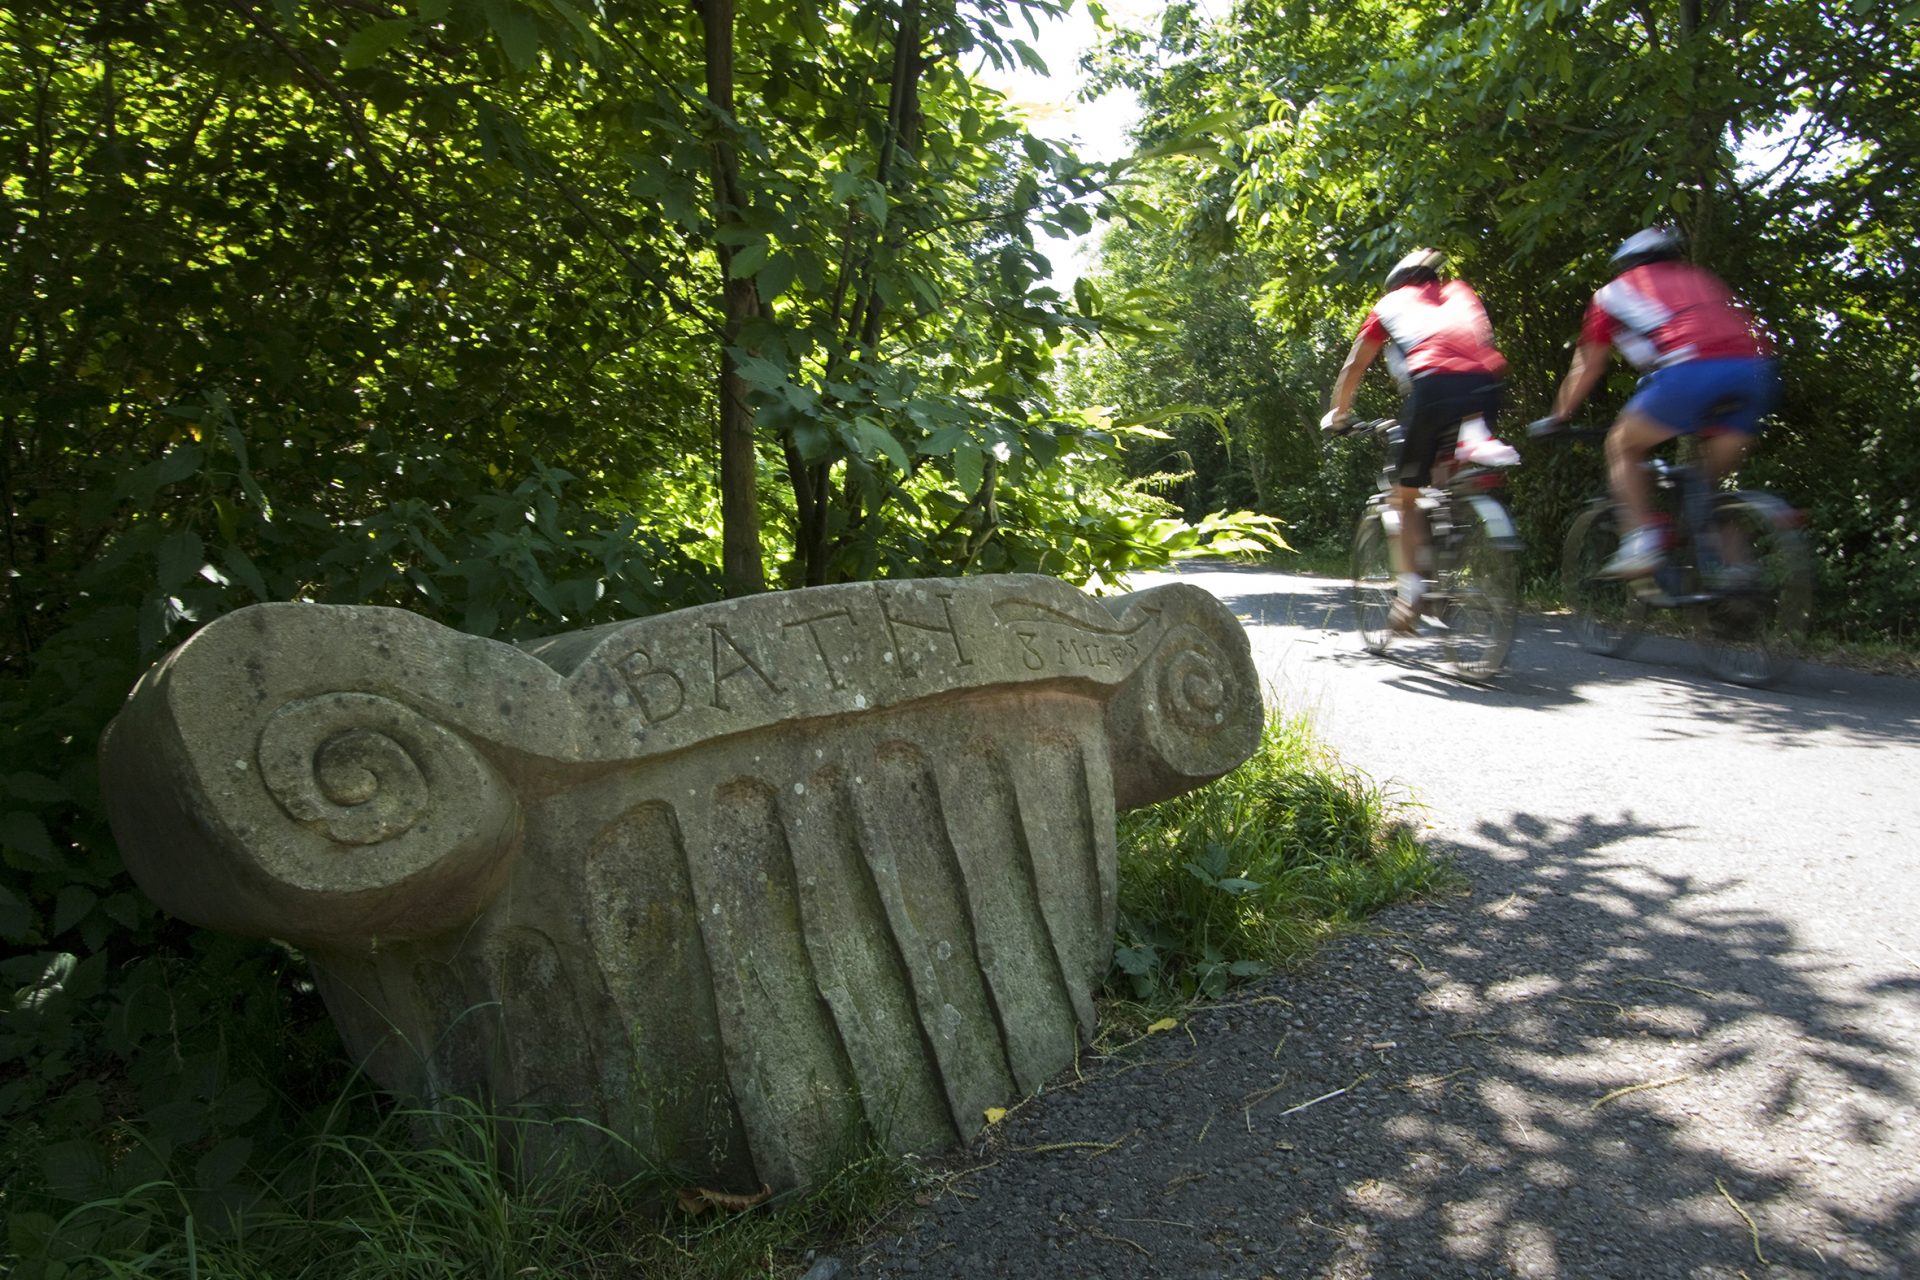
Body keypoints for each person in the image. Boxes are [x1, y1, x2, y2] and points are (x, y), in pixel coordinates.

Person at [1536, 226, 1778, 578]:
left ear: (1625, 264)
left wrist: (1558, 416)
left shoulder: (1612, 293)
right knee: (1705, 491)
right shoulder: (1701, 278)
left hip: (1690, 371)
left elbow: (1589, 365)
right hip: (1756, 373)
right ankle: (1736, 572)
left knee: (1621, 445)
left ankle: (1641, 540)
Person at [1322, 248, 1508, 632]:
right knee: (1443, 474)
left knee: (1404, 496)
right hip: (1486, 392)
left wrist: (1339, 414)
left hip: (1434, 390)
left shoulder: (1390, 303)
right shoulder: (1459, 293)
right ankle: (1450, 542)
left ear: (1396, 283)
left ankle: (1409, 597)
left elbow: (1355, 364)